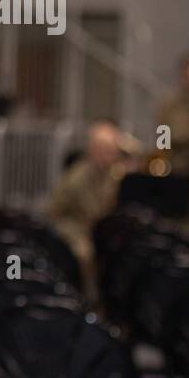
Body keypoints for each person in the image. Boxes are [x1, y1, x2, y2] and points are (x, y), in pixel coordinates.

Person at [49, 120, 128, 288]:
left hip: (100, 227)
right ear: (94, 151)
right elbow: (93, 212)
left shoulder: (112, 174)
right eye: (107, 151)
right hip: (74, 225)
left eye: (114, 151)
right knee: (86, 253)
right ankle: (91, 296)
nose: (113, 156)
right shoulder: (79, 177)